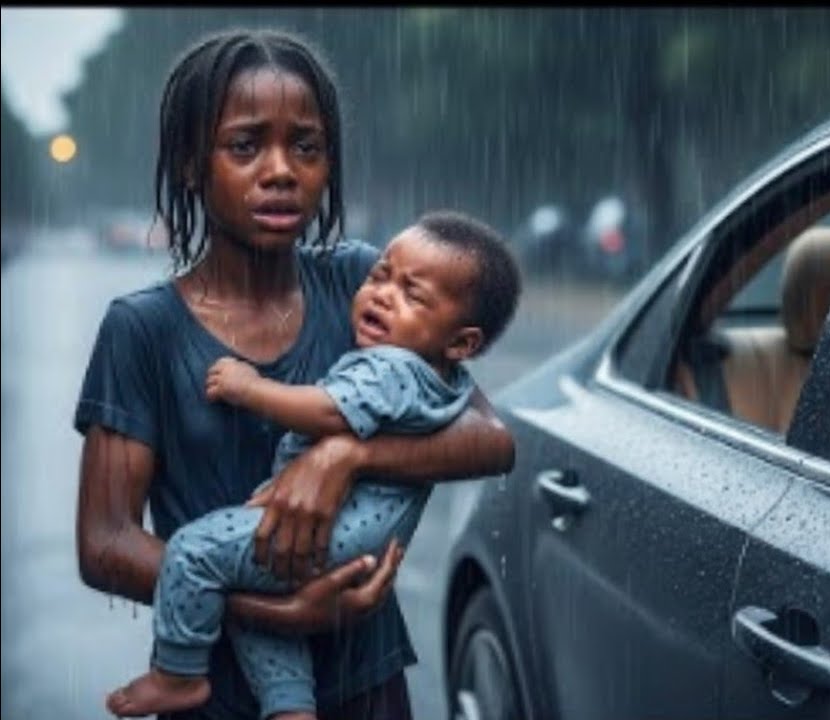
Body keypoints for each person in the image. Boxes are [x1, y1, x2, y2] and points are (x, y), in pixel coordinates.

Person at [75, 29, 515, 720]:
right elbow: (104, 544)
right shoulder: (143, 329)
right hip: (216, 700)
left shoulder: (361, 286)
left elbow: (490, 437)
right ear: (192, 164)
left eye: (305, 148)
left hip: (369, 687)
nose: (281, 171)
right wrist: (276, 612)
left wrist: (347, 453)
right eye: (245, 146)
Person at [105, 211, 521, 719]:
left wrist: (254, 390)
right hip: (360, 543)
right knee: (264, 622)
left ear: (461, 343)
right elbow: (104, 541)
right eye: (382, 277)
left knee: (194, 550)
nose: (383, 293)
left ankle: (177, 671)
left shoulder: (389, 363)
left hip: (333, 541)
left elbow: (329, 410)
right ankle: (291, 708)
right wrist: (285, 613)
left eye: (412, 295)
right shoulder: (438, 367)